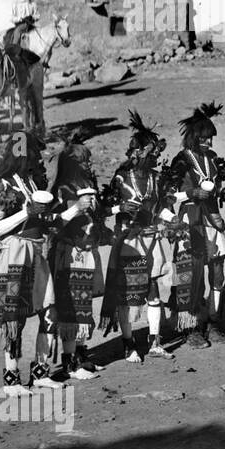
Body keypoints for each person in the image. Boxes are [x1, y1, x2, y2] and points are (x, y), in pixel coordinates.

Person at [99, 112, 174, 362]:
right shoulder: (121, 177)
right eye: (151, 153)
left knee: (152, 290)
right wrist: (120, 209)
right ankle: (129, 344)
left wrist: (170, 219)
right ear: (138, 152)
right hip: (129, 243)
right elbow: (103, 209)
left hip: (151, 240)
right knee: (129, 294)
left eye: (156, 153)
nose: (156, 157)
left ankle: (154, 342)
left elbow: (161, 206)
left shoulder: (155, 177)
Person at [163, 102, 225, 348]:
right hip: (189, 222)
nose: (209, 143)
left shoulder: (213, 159)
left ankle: (212, 322)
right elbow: (169, 195)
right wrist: (192, 193)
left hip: (212, 220)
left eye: (211, 139)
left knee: (217, 272)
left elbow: (220, 186)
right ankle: (190, 326)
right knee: (191, 275)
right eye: (204, 139)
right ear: (194, 137)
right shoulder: (181, 160)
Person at [0, 133, 55, 394]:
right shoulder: (2, 184)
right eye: (33, 154)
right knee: (14, 317)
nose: (37, 159)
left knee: (49, 309)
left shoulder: (31, 182)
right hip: (14, 252)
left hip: (36, 250)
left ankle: (40, 373)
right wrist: (25, 212)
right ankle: (11, 379)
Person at [45, 134, 105, 380]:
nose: (88, 165)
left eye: (89, 161)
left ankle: (82, 355)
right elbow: (54, 224)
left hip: (87, 252)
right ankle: (69, 363)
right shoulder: (62, 189)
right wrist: (76, 208)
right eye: (83, 161)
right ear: (71, 163)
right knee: (72, 306)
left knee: (84, 304)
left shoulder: (86, 187)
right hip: (69, 253)